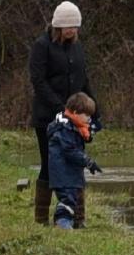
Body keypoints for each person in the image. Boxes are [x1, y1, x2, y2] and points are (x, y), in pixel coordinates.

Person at [27, 1, 91, 223]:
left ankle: (78, 217)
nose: (72, 30)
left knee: (75, 162)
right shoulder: (42, 46)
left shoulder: (77, 48)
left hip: (75, 118)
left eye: (75, 26)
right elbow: (38, 80)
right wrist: (59, 108)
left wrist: (93, 108)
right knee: (49, 163)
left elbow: (83, 79)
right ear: (58, 26)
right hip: (47, 118)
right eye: (68, 26)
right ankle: (41, 216)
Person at [44, 92, 104, 228]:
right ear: (76, 113)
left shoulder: (74, 126)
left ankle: (76, 222)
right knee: (68, 199)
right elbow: (70, 150)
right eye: (87, 116)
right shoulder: (65, 129)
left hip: (70, 173)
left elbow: (85, 138)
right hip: (63, 173)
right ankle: (62, 223)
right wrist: (87, 161)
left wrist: (91, 131)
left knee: (74, 197)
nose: (89, 119)